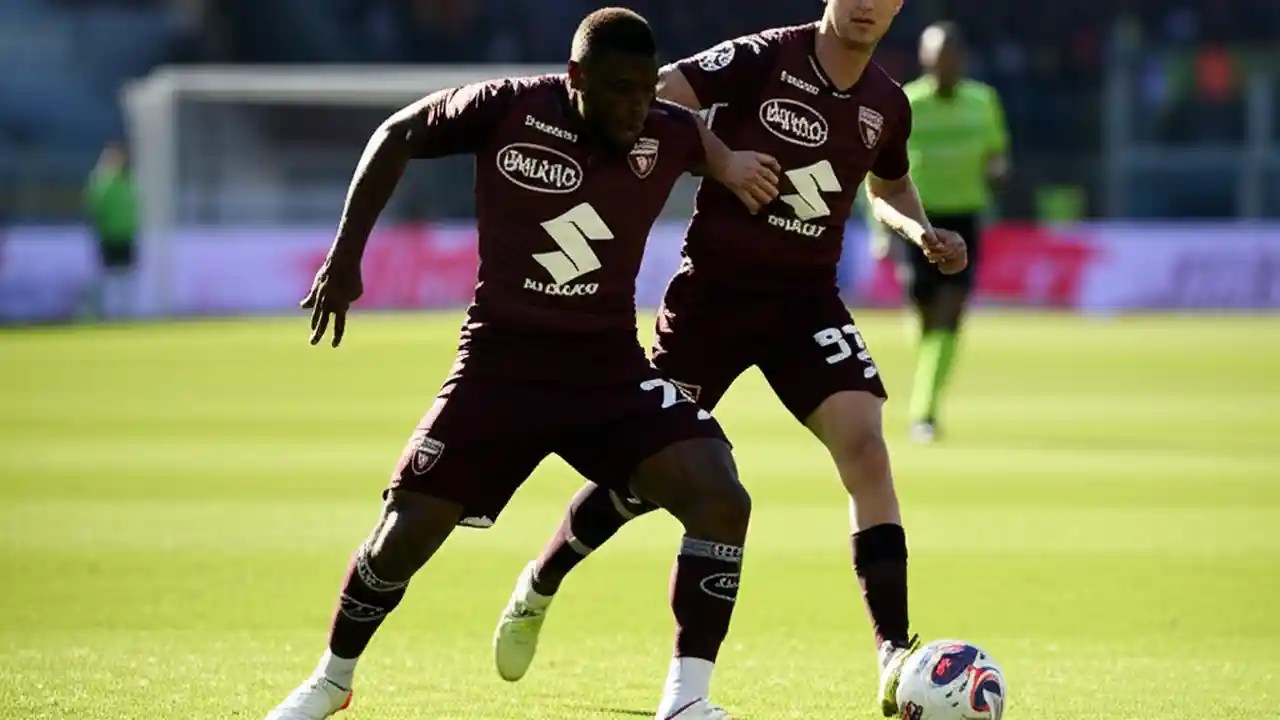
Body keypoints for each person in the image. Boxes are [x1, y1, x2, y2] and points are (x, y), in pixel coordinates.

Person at [263, 8, 781, 720]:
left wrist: (741, 170)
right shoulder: (507, 107)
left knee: (721, 494)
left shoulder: (673, 130)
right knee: (405, 533)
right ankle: (332, 680)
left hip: (605, 369)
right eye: (619, 90)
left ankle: (687, 702)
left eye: (644, 90)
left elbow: (720, 161)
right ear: (575, 79)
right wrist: (346, 255)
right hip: (500, 364)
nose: (636, 107)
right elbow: (397, 134)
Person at [491, 1, 969, 717]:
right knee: (642, 481)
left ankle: (893, 654)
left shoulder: (886, 103)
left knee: (866, 449)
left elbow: (889, 184)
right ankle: (541, 582)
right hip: (712, 298)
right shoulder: (759, 58)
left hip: (804, 303)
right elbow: (660, 96)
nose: (868, 5)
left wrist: (920, 230)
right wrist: (721, 159)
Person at [889, 22, 1010, 443]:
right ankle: (930, 362)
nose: (945, 64)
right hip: (917, 218)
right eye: (938, 56)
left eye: (952, 56)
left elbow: (996, 152)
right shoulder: (907, 102)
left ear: (962, 59)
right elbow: (881, 172)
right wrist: (878, 230)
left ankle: (925, 411)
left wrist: (997, 170)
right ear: (925, 59)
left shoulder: (983, 101)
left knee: (950, 310)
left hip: (963, 217)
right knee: (926, 314)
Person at [84, 141, 139, 320]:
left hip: (126, 235)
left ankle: (125, 313)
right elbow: (93, 206)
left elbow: (133, 209)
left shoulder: (128, 181)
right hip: (108, 235)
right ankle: (106, 313)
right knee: (107, 277)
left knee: (127, 277)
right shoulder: (101, 181)